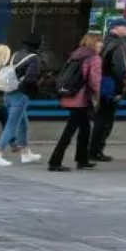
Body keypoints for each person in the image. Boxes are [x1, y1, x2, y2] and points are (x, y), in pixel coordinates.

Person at [49, 32, 102, 172]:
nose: (102, 44)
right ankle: (55, 161)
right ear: (93, 43)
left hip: (70, 95)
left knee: (85, 128)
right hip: (82, 99)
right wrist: (97, 94)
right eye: (99, 41)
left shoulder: (76, 54)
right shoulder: (94, 57)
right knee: (70, 130)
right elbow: (95, 80)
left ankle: (82, 159)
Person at [0, 34, 42, 166]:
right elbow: (31, 79)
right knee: (12, 126)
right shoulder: (34, 58)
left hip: (8, 92)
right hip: (20, 95)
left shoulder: (16, 54)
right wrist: (35, 89)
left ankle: (25, 153)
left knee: (23, 124)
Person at [90, 21, 126, 163]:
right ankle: (96, 151)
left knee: (101, 118)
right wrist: (124, 84)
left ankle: (93, 150)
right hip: (112, 85)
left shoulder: (104, 41)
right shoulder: (119, 44)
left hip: (102, 84)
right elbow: (120, 68)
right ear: (116, 29)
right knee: (106, 120)